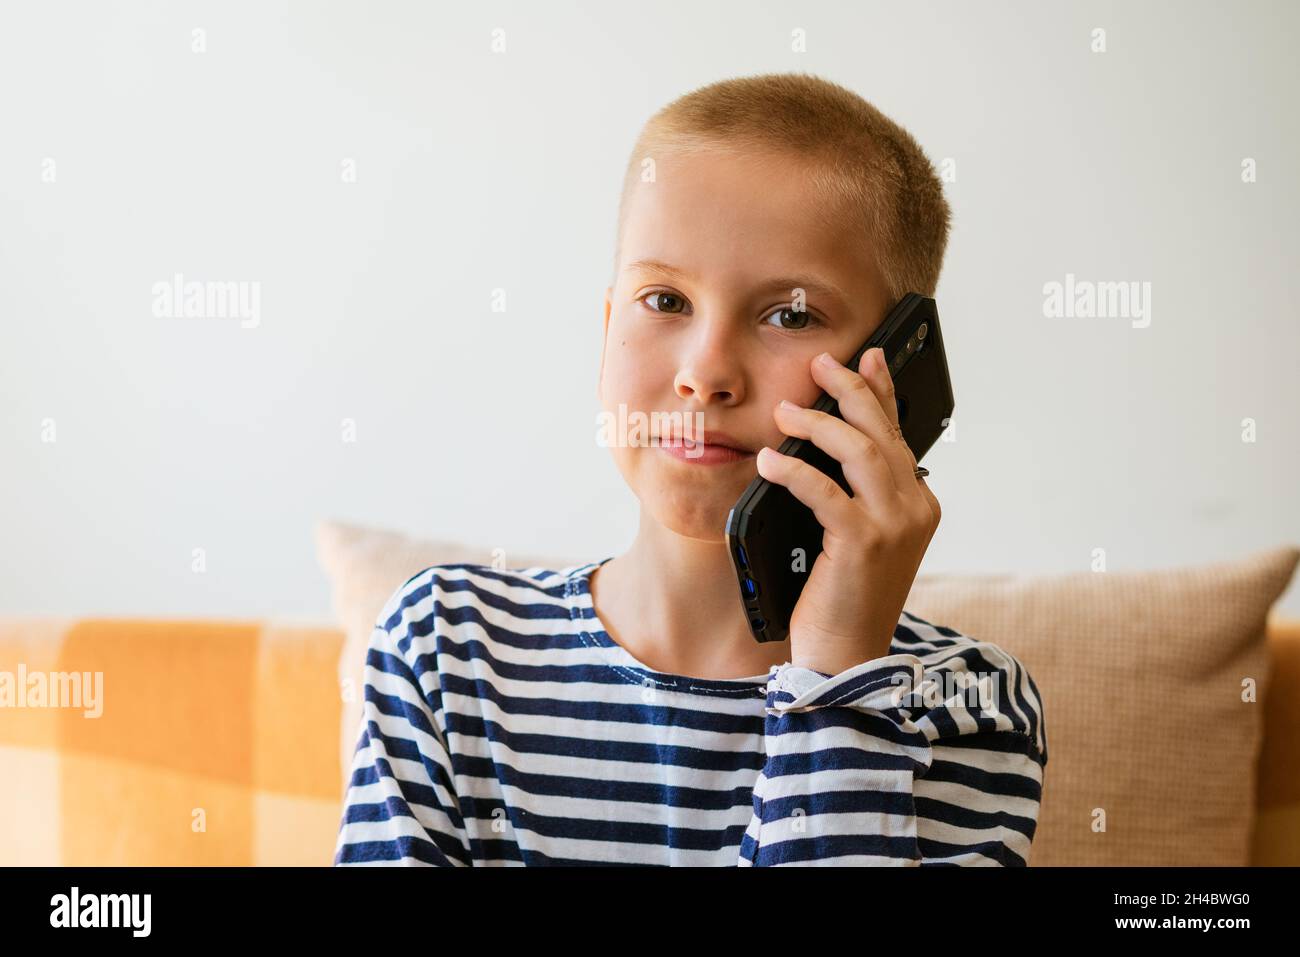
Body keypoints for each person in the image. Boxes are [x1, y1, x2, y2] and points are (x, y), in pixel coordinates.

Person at [334, 72, 1047, 866]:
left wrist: (841, 671)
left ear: (894, 380)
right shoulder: (447, 651)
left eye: (790, 315)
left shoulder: (970, 703)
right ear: (609, 331)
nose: (705, 373)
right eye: (666, 301)